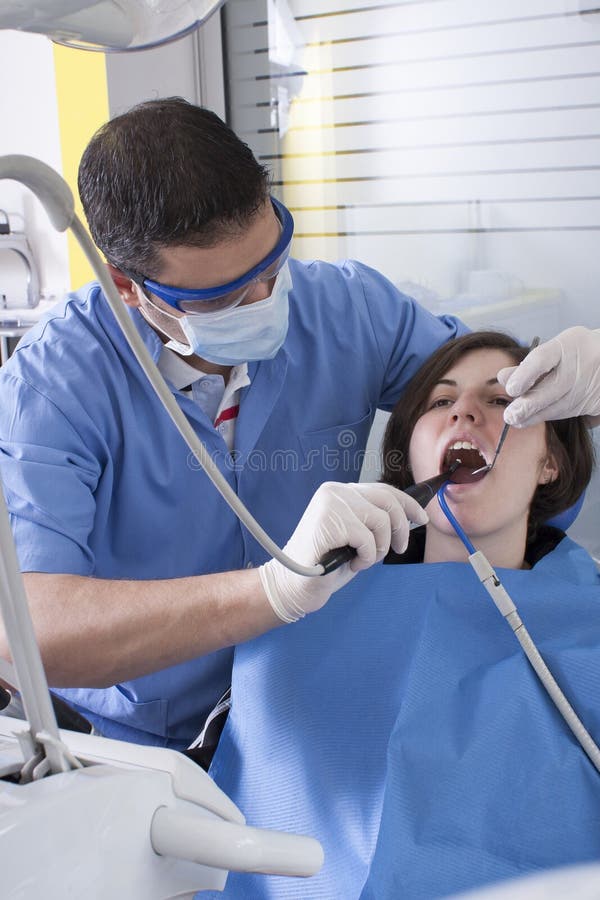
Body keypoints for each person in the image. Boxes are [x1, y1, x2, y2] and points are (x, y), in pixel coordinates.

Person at [0, 97, 599, 749]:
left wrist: (579, 392)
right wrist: (273, 591)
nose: (266, 299)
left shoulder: (350, 310)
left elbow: (493, 393)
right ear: (128, 287)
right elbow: (32, 628)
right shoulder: (52, 386)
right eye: (224, 297)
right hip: (144, 737)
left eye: (272, 263)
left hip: (318, 700)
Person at [204, 331, 600, 900]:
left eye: (499, 400)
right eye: (441, 401)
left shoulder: (585, 621)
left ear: (551, 465)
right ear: (411, 456)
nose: (464, 411)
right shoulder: (308, 603)